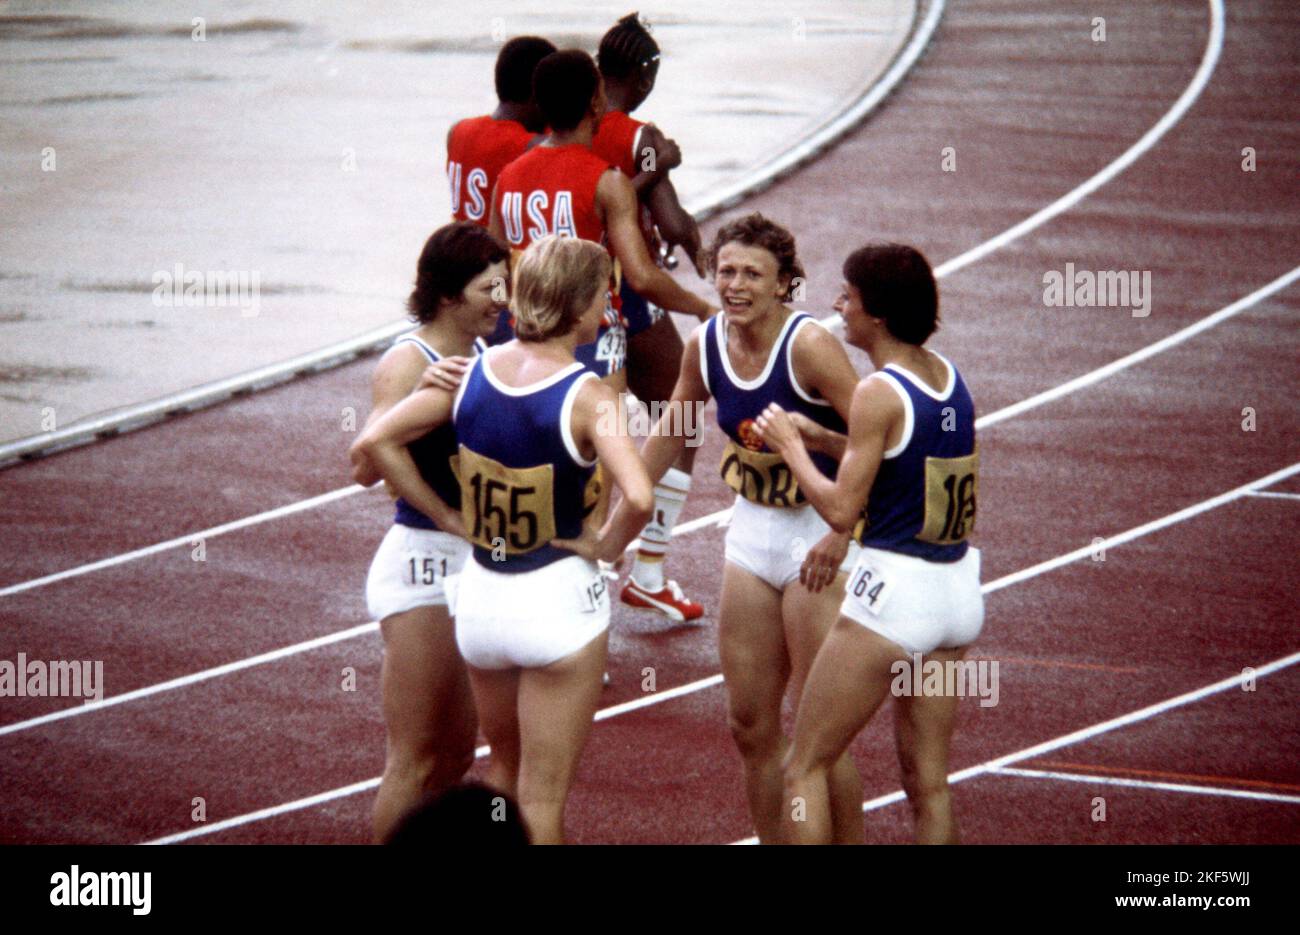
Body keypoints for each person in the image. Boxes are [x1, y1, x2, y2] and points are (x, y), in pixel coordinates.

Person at [354, 236, 653, 844]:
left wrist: (443, 514)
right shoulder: (589, 395)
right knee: (542, 798)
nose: (608, 308)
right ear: (576, 307)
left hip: (482, 605)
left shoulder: (471, 371)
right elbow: (642, 498)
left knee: (502, 775)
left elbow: (374, 444)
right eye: (602, 296)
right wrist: (605, 547)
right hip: (554, 602)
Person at [606, 213, 865, 843]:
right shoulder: (705, 344)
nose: (736, 284)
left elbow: (878, 437)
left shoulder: (809, 346)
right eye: (726, 270)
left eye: (754, 273)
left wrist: (842, 529)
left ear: (785, 284)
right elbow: (671, 429)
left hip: (816, 535)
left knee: (815, 729)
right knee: (749, 724)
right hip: (751, 534)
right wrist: (611, 537)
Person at [753, 244, 983, 845]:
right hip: (956, 596)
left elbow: (839, 508)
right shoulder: (947, 376)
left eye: (848, 297)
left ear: (876, 314)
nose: (837, 307)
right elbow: (897, 460)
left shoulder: (879, 391)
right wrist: (825, 436)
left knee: (804, 766)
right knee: (928, 782)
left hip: (895, 599)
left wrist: (791, 445)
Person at [349, 222, 509, 843]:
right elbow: (364, 464)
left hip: (471, 568)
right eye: (488, 287)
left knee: (455, 758)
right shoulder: (408, 361)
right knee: (414, 757)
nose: (502, 299)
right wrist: (447, 517)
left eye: (505, 285)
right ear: (447, 294)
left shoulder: (487, 357)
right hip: (422, 562)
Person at [488, 49, 715, 385]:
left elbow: (495, 270)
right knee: (655, 422)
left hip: (526, 337)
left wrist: (499, 321)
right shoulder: (619, 167)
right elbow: (642, 276)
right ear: (597, 102)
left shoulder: (507, 177)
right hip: (590, 338)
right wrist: (701, 307)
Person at [592, 13, 708, 623]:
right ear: (645, 73)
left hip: (563, 300)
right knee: (683, 413)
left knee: (578, 439)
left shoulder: (567, 125)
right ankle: (646, 565)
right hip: (626, 299)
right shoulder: (639, 136)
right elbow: (669, 223)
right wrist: (696, 245)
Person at [446, 35, 555, 345]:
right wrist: (655, 165)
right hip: (499, 282)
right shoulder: (530, 147)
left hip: (459, 270)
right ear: (539, 94)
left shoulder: (458, 131)